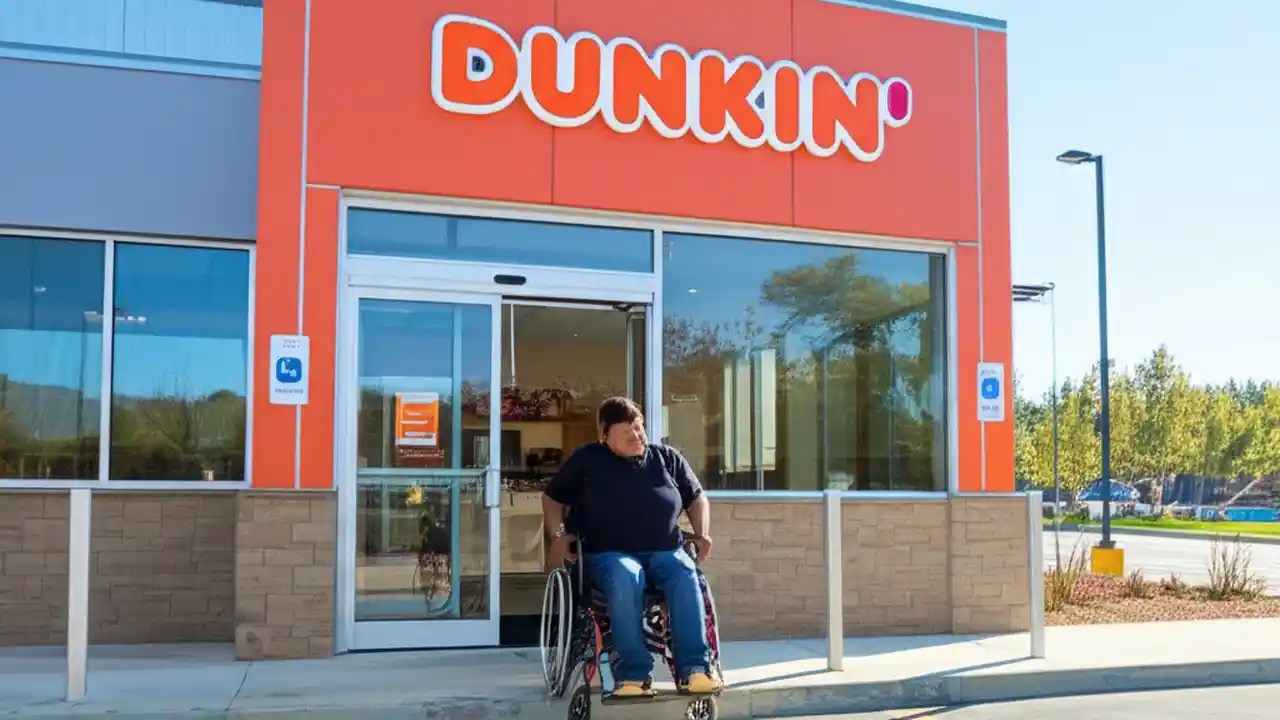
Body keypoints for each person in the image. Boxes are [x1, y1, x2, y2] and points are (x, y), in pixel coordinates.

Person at [542, 396, 721, 698]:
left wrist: (702, 533)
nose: (637, 436)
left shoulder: (667, 458)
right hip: (607, 553)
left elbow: (696, 497)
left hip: (664, 551)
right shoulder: (588, 459)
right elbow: (552, 498)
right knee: (627, 575)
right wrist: (559, 533)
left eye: (639, 429)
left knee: (684, 572)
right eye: (627, 432)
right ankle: (633, 676)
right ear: (605, 434)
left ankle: (695, 670)